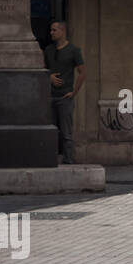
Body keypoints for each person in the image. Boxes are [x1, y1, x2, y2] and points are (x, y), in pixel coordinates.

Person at [43, 20, 86, 165]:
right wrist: (49, 76)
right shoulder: (48, 50)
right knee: (50, 131)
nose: (51, 33)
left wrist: (74, 92)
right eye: (51, 30)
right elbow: (42, 70)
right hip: (50, 97)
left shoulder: (74, 50)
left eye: (54, 30)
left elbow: (82, 73)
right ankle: (49, 159)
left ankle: (68, 160)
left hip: (64, 97)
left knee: (66, 132)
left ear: (63, 31)